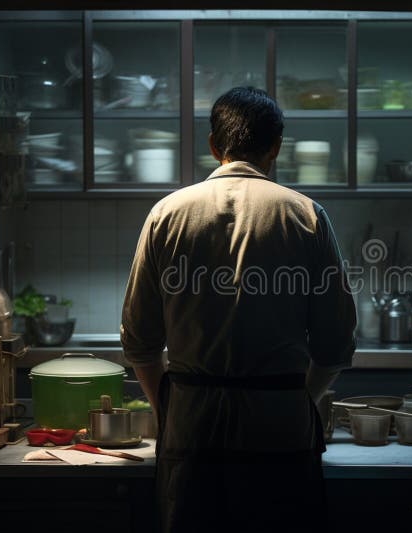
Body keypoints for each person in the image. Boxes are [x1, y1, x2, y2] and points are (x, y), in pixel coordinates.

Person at [121, 86, 357, 532]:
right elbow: (336, 344)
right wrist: (297, 398)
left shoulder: (166, 214)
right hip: (281, 431)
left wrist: (168, 409)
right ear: (276, 148)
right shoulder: (307, 216)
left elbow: (140, 341)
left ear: (213, 146)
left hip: (191, 428)